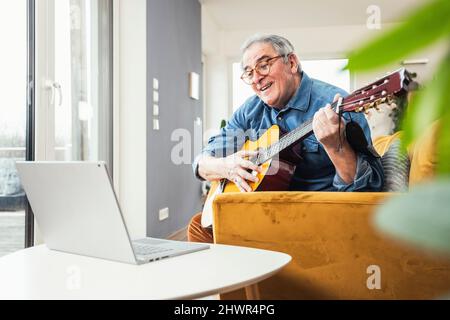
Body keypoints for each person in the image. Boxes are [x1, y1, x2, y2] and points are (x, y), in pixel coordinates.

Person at [188, 34, 384, 243]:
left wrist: (337, 148)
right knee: (199, 227)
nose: (256, 78)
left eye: (263, 65)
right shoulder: (250, 110)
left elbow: (367, 193)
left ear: (291, 62)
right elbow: (202, 161)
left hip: (315, 216)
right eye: (248, 73)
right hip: (260, 212)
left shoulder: (335, 105)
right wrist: (227, 166)